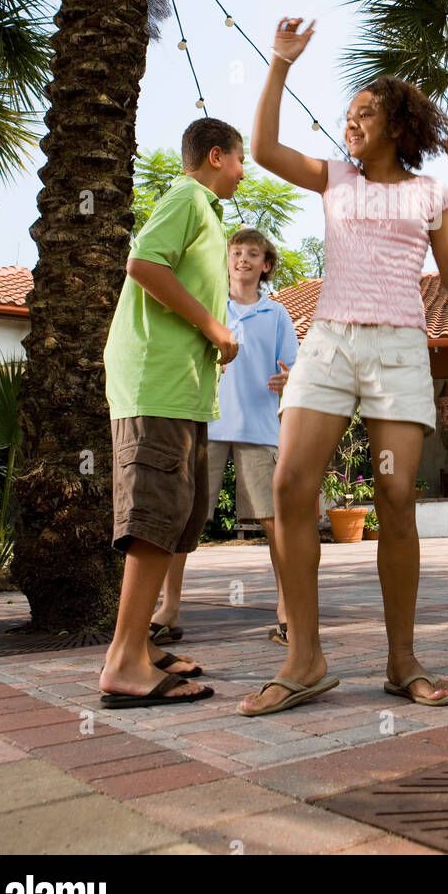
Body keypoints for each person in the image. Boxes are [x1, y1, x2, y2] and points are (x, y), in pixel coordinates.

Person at [238, 18, 448, 716]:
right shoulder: (334, 176)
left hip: (397, 350)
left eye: (364, 113)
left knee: (396, 499)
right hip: (328, 340)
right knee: (293, 485)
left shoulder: (431, 193)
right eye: (347, 114)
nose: (350, 123)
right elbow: (262, 148)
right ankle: (305, 659)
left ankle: (401, 658)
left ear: (398, 124)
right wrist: (280, 62)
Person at [99, 118, 242, 707]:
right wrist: (214, 326)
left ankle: (141, 647)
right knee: (154, 513)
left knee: (175, 514)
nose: (243, 169)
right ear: (214, 156)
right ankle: (124, 662)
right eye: (240, 159)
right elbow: (144, 265)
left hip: (180, 388)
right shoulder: (188, 197)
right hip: (155, 386)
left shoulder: (207, 213)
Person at [154, 229, 299, 645]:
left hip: (260, 428)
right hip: (207, 423)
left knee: (275, 523)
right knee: (184, 517)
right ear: (227, 259)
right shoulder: (208, 308)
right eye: (236, 252)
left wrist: (290, 379)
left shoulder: (277, 315)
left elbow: (295, 371)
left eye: (253, 254)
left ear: (265, 264)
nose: (243, 260)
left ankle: (287, 611)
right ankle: (168, 609)